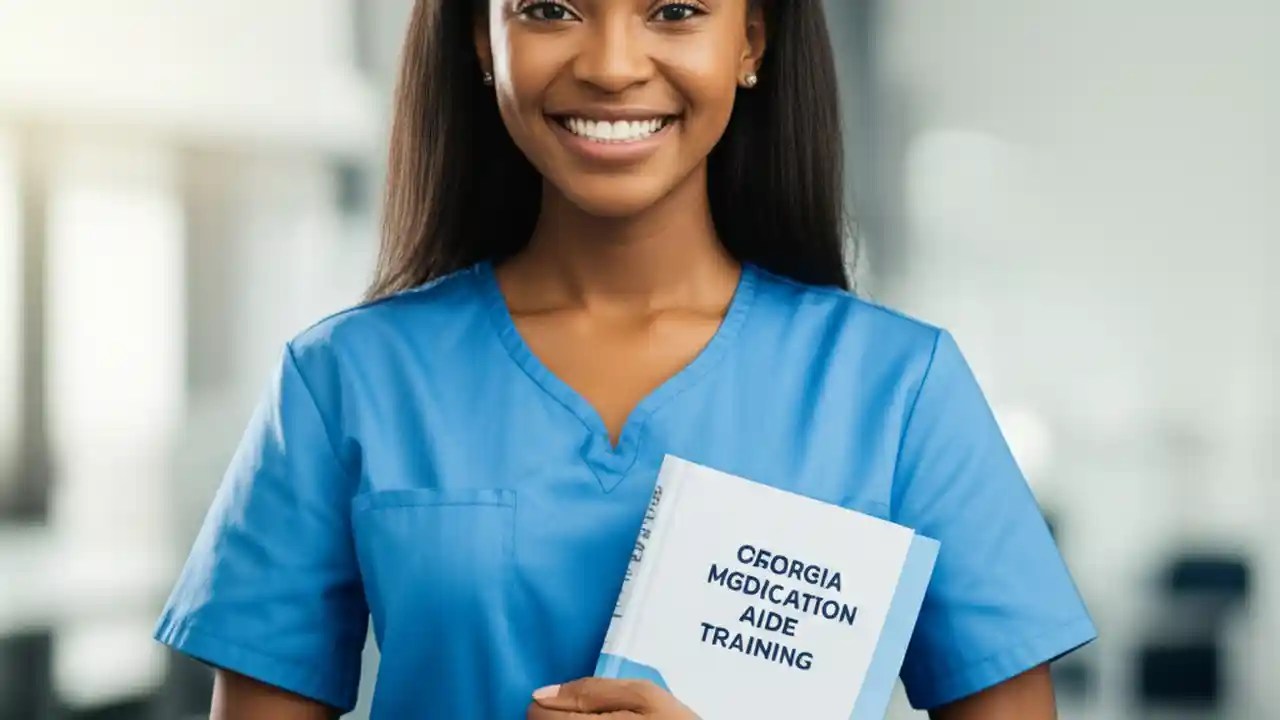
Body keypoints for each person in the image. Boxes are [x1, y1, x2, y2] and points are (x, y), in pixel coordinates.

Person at [153, 1, 1096, 718]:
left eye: (675, 9)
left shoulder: (898, 389)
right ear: (483, 41)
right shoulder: (343, 382)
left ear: (751, 40)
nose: (610, 65)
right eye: (548, 8)